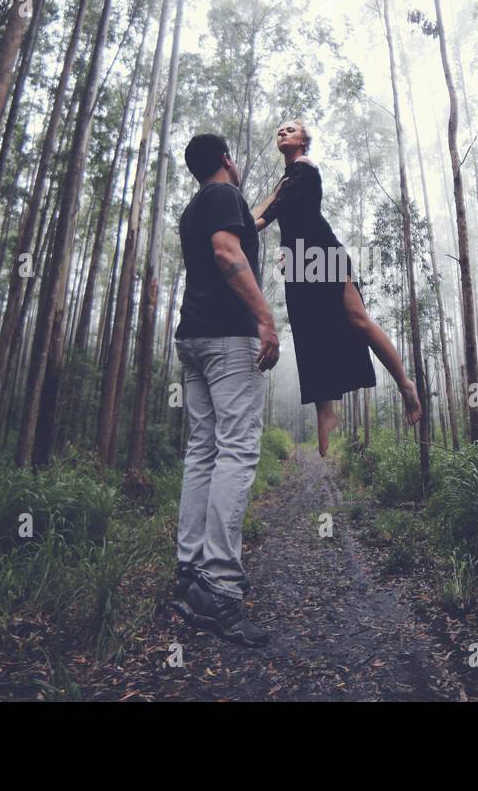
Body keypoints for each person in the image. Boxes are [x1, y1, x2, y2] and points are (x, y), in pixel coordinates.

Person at [252, 119, 422, 458]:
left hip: (321, 252)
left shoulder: (305, 169)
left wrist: (275, 201)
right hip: (299, 262)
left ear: (303, 142)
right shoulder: (285, 182)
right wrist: (271, 198)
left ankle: (405, 384)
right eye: (279, 131)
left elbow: (276, 214)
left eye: (291, 130)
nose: (283, 133)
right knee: (308, 333)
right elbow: (250, 222)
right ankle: (325, 411)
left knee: (357, 319)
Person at [170, 133, 279, 648]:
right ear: (227, 160)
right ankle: (221, 587)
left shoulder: (197, 207)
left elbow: (246, 225)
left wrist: (277, 199)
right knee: (236, 451)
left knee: (203, 453)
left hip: (191, 340)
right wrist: (265, 319)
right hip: (228, 339)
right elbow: (227, 249)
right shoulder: (224, 197)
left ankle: (190, 576)